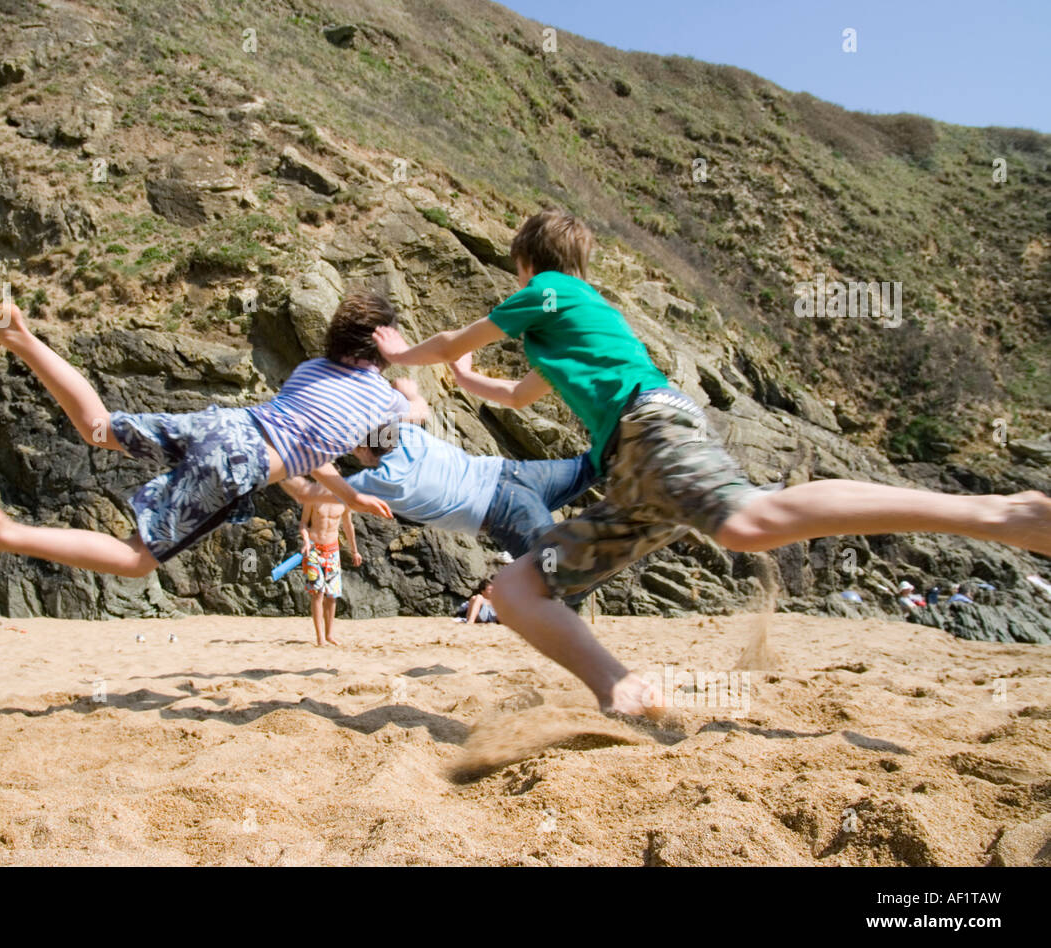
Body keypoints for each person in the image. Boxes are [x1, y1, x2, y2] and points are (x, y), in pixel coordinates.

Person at [372, 207, 1051, 718]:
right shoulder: (576, 324)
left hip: (653, 434)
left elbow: (455, 339)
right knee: (518, 592)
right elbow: (517, 394)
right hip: (634, 472)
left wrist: (403, 355)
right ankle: (620, 689)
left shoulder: (549, 292)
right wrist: (467, 378)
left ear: (528, 260)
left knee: (750, 521)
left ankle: (999, 513)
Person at [0, 293, 419, 575]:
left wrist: (347, 496)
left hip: (226, 423)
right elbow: (381, 443)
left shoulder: (313, 368)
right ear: (383, 349)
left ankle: (17, 334)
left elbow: (312, 449)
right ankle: (4, 533)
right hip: (237, 465)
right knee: (137, 559)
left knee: (98, 427)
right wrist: (409, 389)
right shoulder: (381, 399)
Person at [280, 416, 597, 560]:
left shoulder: (377, 482)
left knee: (559, 576)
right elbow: (417, 402)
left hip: (504, 510)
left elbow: (306, 492)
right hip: (514, 472)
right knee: (593, 465)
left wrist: (277, 461)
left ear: (364, 450)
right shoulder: (407, 431)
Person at [299, 500, 361, 646]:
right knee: (317, 593)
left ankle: (329, 635)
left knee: (332, 595)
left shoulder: (343, 501)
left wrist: (355, 551)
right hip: (314, 550)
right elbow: (303, 523)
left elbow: (348, 525)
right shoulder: (312, 498)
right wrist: (306, 542)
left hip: (332, 552)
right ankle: (320, 637)